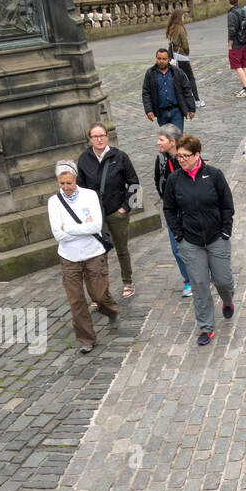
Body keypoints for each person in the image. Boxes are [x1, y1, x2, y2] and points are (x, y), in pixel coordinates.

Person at [162, 134, 234, 347]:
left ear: (197, 155)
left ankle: (228, 301)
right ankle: (206, 327)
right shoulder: (174, 180)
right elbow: (169, 209)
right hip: (191, 241)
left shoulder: (214, 175)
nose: (181, 159)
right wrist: (179, 236)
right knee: (200, 284)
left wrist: (225, 232)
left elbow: (227, 205)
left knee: (223, 280)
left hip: (216, 238)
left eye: (185, 156)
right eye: (179, 156)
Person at [48, 159, 119, 353]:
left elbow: (95, 226)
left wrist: (69, 228)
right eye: (62, 184)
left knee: (98, 295)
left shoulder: (89, 196)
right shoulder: (54, 202)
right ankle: (87, 339)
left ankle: (110, 309)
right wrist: (81, 228)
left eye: (69, 183)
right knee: (76, 300)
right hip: (68, 257)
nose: (66, 187)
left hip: (93, 252)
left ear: (75, 179)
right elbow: (58, 234)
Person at [76, 122, 140, 299]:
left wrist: (125, 208)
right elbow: (80, 189)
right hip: (96, 216)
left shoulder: (120, 157)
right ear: (90, 139)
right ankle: (101, 291)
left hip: (116, 212)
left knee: (122, 249)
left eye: (102, 135)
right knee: (98, 254)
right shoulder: (83, 159)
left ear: (107, 136)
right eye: (95, 136)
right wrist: (86, 214)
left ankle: (127, 281)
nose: (99, 139)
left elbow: (135, 184)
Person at [153, 124, 192, 296]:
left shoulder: (187, 157)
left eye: (161, 140)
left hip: (190, 210)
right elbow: (158, 180)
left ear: (172, 142)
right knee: (177, 248)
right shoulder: (161, 159)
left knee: (196, 243)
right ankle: (188, 280)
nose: (158, 143)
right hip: (172, 211)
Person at [141, 47, 195, 132]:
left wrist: (191, 108)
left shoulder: (177, 72)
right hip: (161, 113)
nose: (161, 61)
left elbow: (187, 90)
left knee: (177, 137)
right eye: (159, 58)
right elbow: (146, 93)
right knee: (167, 139)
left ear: (169, 60)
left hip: (176, 111)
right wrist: (149, 110)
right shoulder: (150, 73)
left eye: (164, 59)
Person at [164, 8, 203, 108]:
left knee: (178, 80)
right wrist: (187, 52)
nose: (184, 18)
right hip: (182, 57)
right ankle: (197, 100)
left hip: (175, 57)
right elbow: (185, 44)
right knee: (190, 78)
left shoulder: (171, 28)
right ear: (179, 18)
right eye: (183, 16)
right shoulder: (180, 28)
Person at [226, 0, 246, 97]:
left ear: (229, 2)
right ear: (238, 1)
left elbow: (232, 31)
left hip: (236, 43)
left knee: (237, 66)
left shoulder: (231, 14)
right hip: (243, 41)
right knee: (244, 64)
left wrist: (230, 44)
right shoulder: (242, 11)